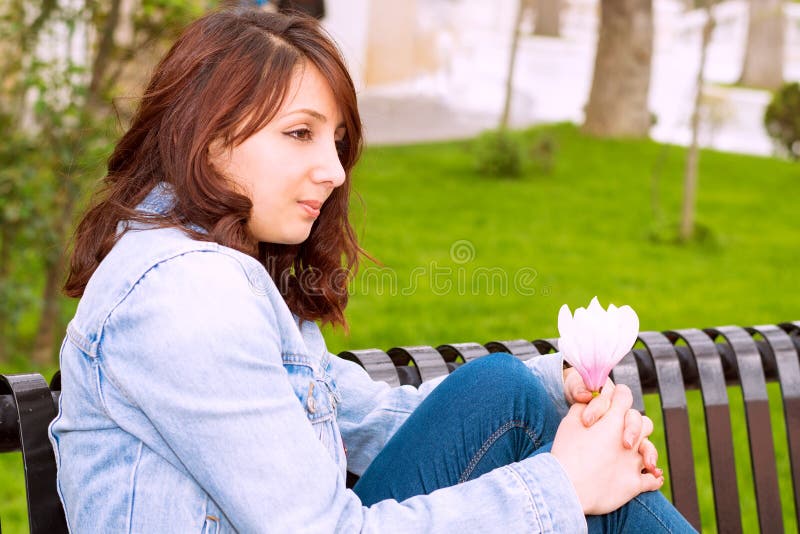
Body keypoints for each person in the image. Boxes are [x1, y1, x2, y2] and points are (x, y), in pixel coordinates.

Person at [48, 8, 696, 533]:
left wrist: (565, 391)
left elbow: (377, 422)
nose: (333, 172)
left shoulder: (222, 275)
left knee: (508, 392)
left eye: (335, 141)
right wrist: (563, 485)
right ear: (206, 136)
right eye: (299, 133)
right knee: (585, 492)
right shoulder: (186, 298)